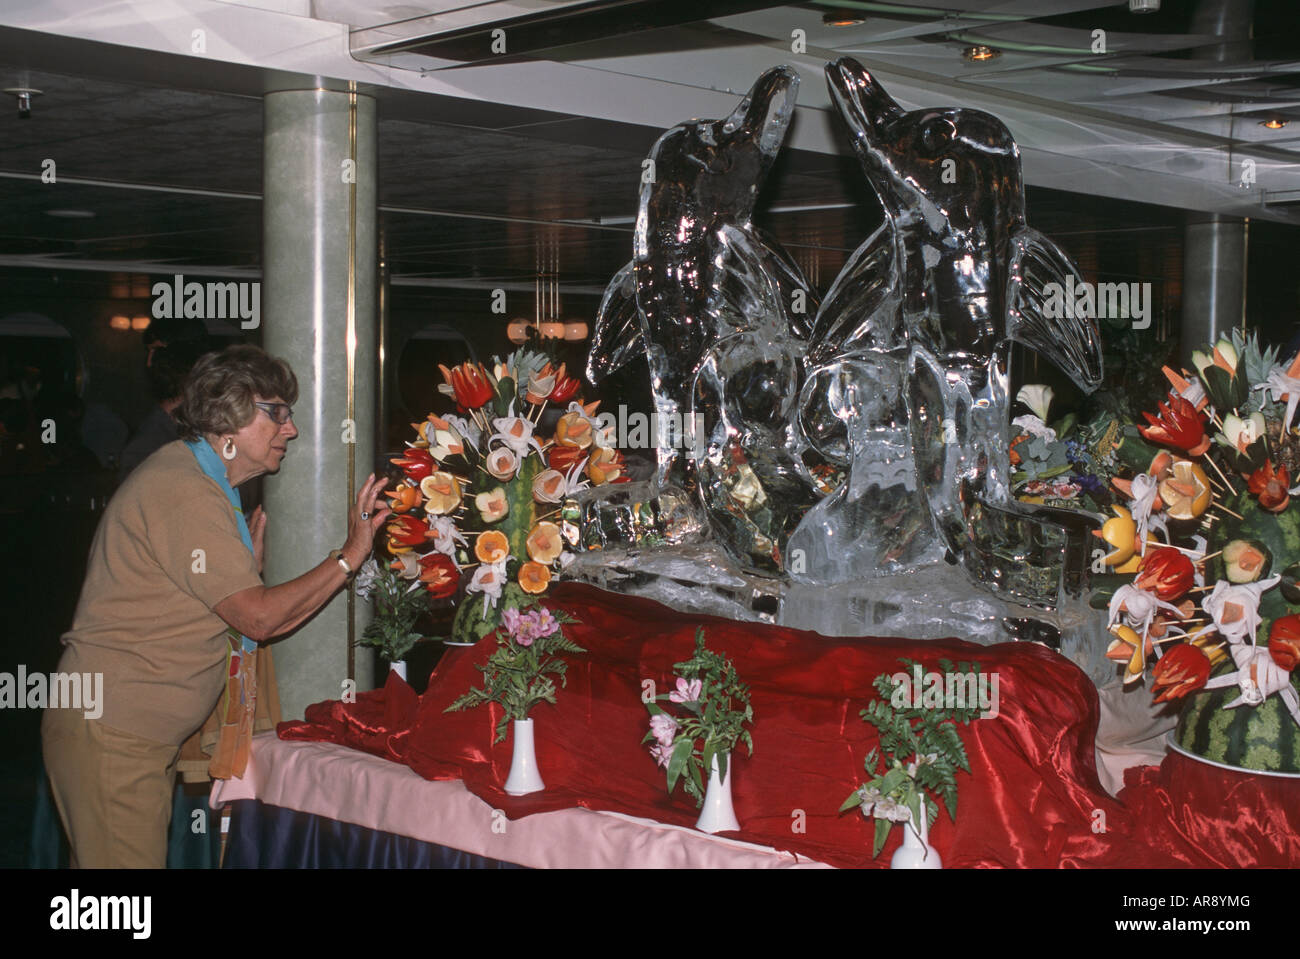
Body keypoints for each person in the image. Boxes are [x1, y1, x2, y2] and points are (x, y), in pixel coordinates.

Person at [41, 344, 391, 868]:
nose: (290, 429)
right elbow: (259, 617)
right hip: (114, 732)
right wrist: (349, 556)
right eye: (277, 412)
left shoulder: (201, 483)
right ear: (230, 416)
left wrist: (248, 570)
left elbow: (251, 616)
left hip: (121, 731)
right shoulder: (187, 491)